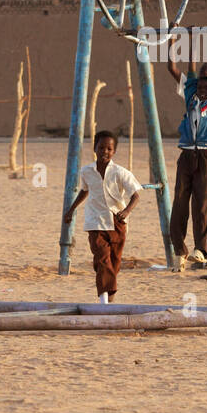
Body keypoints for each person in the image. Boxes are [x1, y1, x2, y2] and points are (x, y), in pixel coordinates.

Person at [62, 130, 142, 304]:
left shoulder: (121, 172)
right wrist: (71, 210)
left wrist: (126, 211)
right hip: (95, 221)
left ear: (114, 151)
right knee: (102, 259)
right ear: (95, 148)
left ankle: (109, 301)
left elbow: (135, 195)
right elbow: (84, 191)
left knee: (114, 262)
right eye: (101, 147)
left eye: (109, 148)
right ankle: (103, 302)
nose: (105, 151)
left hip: (117, 222)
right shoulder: (87, 171)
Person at [165, 56, 207, 271]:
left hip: (206, 155)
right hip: (187, 154)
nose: (202, 88)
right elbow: (190, 74)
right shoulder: (191, 98)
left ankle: (201, 250)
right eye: (199, 85)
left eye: (206, 85)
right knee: (180, 202)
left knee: (202, 204)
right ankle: (179, 250)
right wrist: (189, 41)